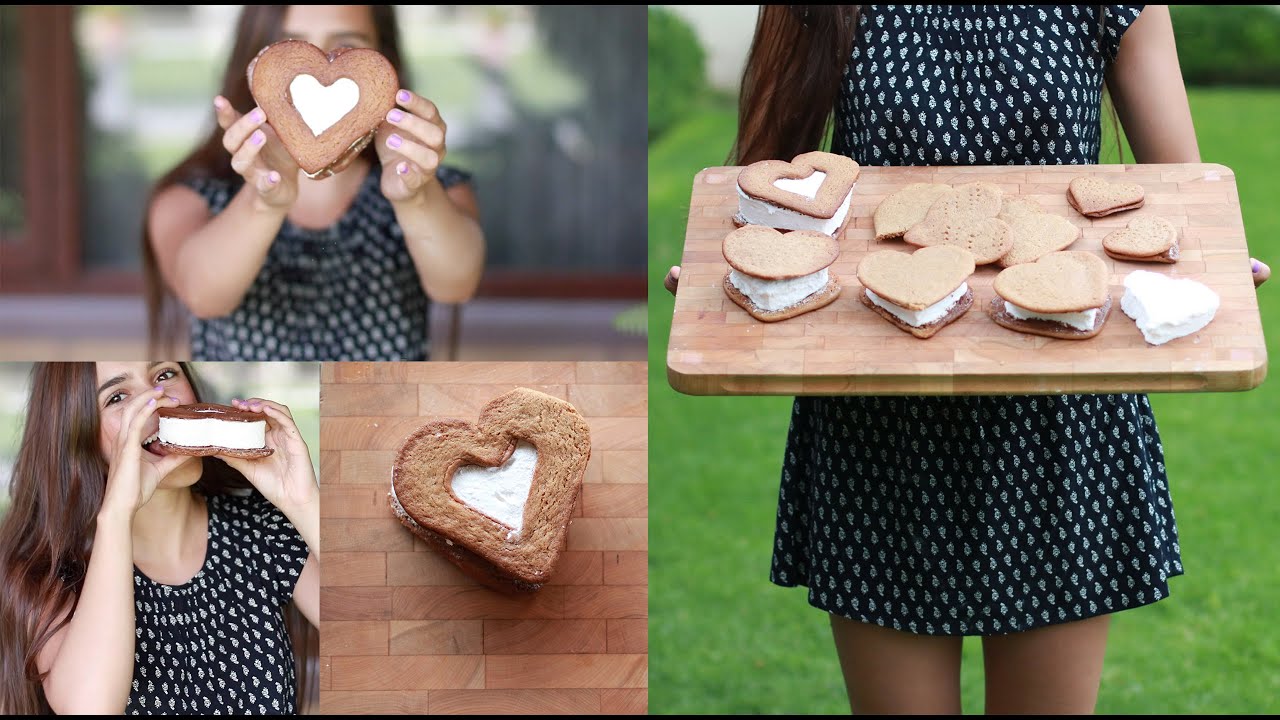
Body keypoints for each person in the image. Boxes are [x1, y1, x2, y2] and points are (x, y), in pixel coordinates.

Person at [665, 5, 1270, 714]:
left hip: (1061, 431)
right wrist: (729, 265)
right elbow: (764, 188)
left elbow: (1182, 193)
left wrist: (1210, 264)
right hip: (880, 439)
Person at [145, 5, 485, 360]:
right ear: (253, 66)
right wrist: (266, 200)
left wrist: (414, 196)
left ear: (385, 64)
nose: (322, 64)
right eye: (289, 46)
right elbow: (204, 297)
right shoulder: (190, 196)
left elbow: (456, 285)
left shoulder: (435, 185)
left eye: (347, 45)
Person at [0, 362, 319, 714]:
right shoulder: (47, 576)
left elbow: (375, 618)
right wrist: (118, 515)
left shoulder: (260, 525)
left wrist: (302, 502)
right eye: (118, 396)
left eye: (165, 374)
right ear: (78, 436)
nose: (158, 401)